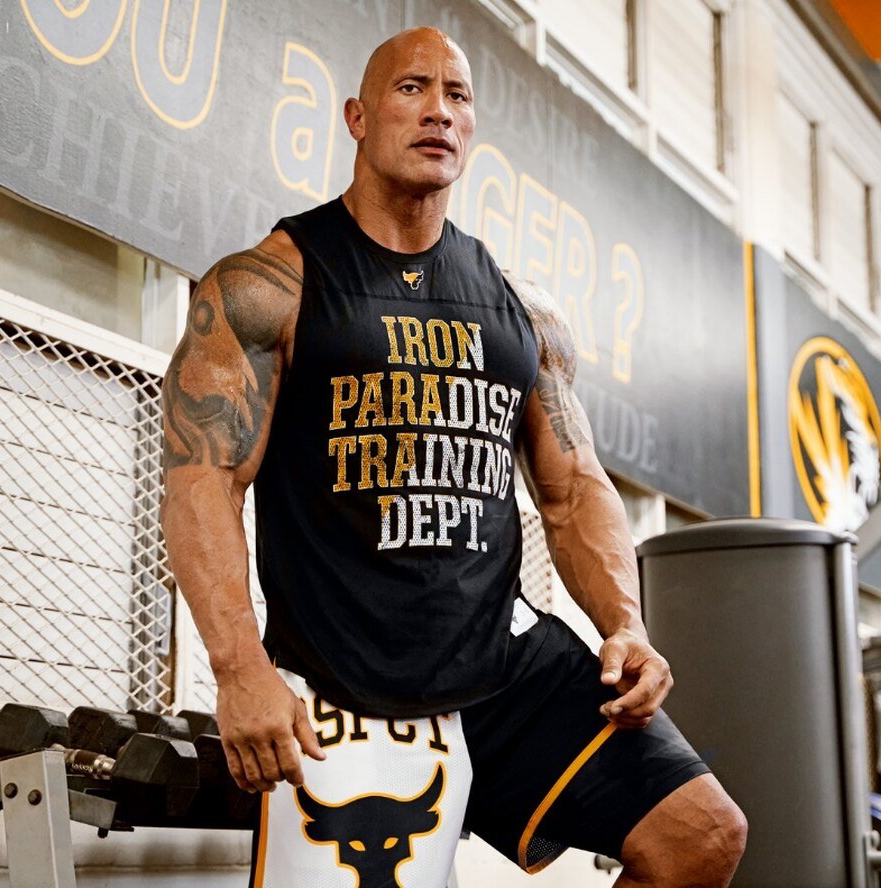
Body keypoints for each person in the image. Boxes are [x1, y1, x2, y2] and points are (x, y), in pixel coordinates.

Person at [161, 26, 746, 887]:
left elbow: (573, 488)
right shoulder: (268, 286)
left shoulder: (521, 310)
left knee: (701, 835)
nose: (438, 110)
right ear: (358, 117)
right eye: (412, 89)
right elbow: (201, 480)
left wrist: (625, 624)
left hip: (505, 665)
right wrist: (239, 669)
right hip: (346, 679)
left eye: (458, 95)